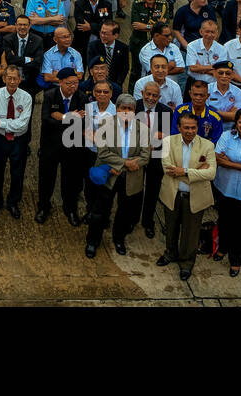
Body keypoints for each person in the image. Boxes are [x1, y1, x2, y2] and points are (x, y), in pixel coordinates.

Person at [85, 93, 152, 257]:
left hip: (130, 178)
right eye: (123, 108)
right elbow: (102, 152)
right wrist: (124, 163)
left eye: (130, 109)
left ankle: (118, 239)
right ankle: (92, 242)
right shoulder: (105, 125)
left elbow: (145, 156)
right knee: (99, 212)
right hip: (109, 174)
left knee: (125, 211)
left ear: (135, 111)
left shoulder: (143, 129)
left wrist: (125, 165)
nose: (126, 111)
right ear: (117, 109)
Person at [157, 112, 216, 281]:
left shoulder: (208, 145)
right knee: (171, 228)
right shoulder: (168, 142)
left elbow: (211, 173)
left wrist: (184, 171)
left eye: (193, 128)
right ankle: (170, 254)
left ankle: (186, 263)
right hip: (172, 193)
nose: (190, 131)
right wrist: (199, 172)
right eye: (186, 127)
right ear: (179, 127)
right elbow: (167, 169)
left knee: (191, 233)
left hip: (195, 196)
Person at [36, 67, 86, 224]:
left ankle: (70, 209)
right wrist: (71, 117)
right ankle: (43, 207)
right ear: (61, 82)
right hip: (50, 145)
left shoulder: (82, 97)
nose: (73, 86)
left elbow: (83, 122)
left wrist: (61, 117)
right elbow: (46, 120)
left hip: (72, 146)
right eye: (69, 83)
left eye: (76, 83)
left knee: (70, 180)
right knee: (46, 179)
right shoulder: (50, 95)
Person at [0, 64, 32, 219]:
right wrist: (1, 123)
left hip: (19, 140)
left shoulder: (26, 97)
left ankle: (13, 202)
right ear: (4, 78)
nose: (12, 81)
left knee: (17, 173)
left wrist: (1, 123)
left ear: (20, 80)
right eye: (9, 78)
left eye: (15, 78)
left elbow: (23, 124)